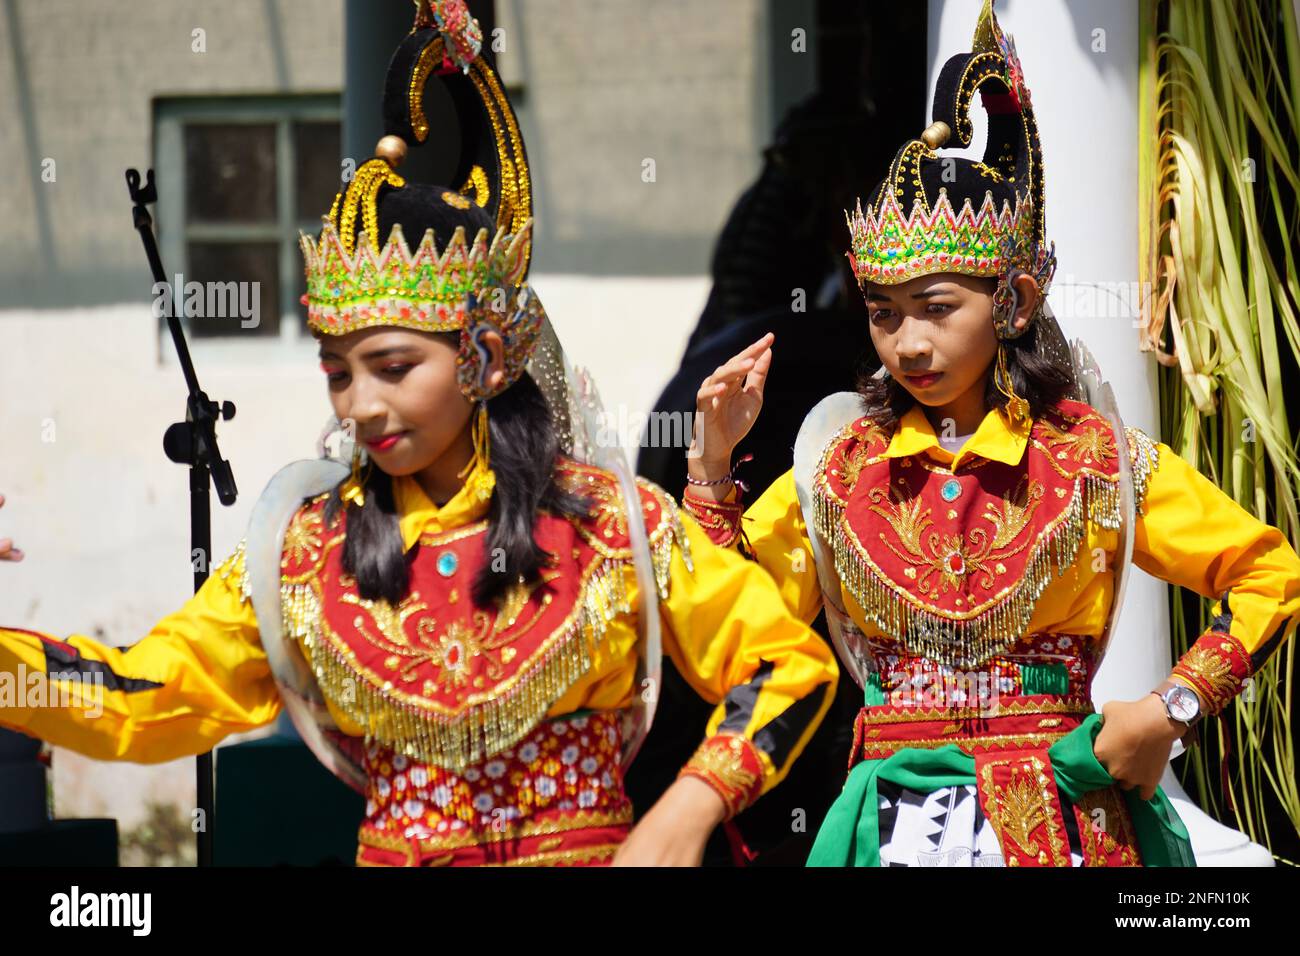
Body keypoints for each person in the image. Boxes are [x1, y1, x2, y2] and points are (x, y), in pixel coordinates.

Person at [0, 1, 837, 867]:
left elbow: (786, 666)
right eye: (339, 372)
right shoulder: (304, 554)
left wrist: (690, 808)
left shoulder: (610, 527)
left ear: (481, 358)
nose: (359, 405)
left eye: (394, 369)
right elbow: (145, 693)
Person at [679, 0, 1300, 867]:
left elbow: (1268, 570)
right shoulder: (842, 469)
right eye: (883, 315)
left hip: (1060, 820)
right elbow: (729, 631)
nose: (910, 343)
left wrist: (1170, 712)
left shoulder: (1091, 459)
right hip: (886, 825)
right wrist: (710, 471)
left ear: (1010, 303)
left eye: (938, 310)